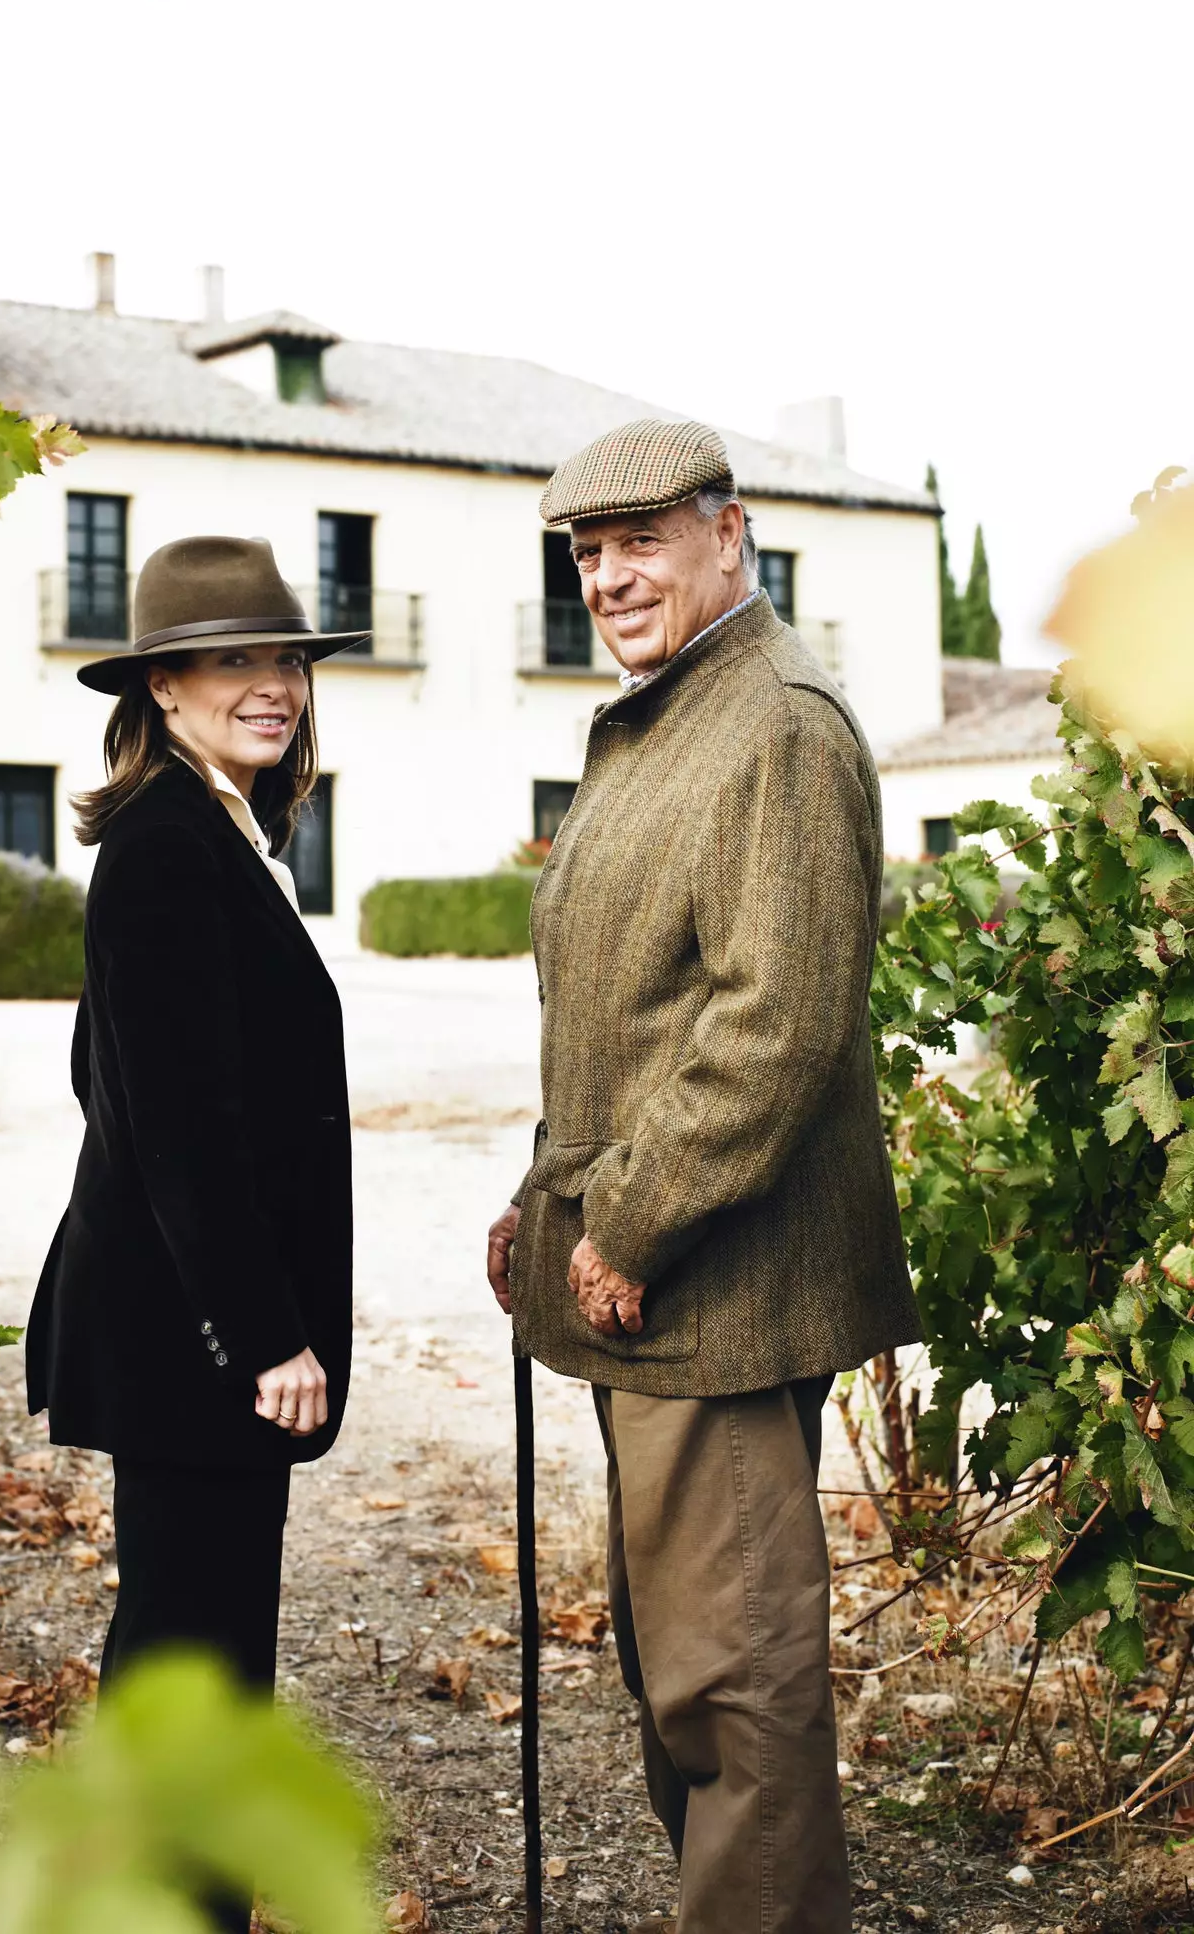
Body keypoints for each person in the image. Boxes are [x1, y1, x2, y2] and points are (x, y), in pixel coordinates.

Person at [486, 419, 921, 1934]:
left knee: (735, 1691)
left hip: (713, 1291)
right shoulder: (672, 714)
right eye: (587, 554)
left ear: (729, 537)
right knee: (682, 1671)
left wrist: (632, 1219)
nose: (607, 578)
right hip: (645, 1284)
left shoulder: (778, 723)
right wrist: (546, 1207)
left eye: (640, 541)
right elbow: (635, 1008)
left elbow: (771, 1025)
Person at [27, 534, 359, 1742]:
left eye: (287, 656)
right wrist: (267, 1331)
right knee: (193, 1673)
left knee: (202, 1662)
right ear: (161, 684)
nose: (274, 682)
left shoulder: (217, 833)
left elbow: (103, 1073)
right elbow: (180, 1126)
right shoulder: (167, 845)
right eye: (233, 658)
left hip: (180, 1333)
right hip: (194, 1343)